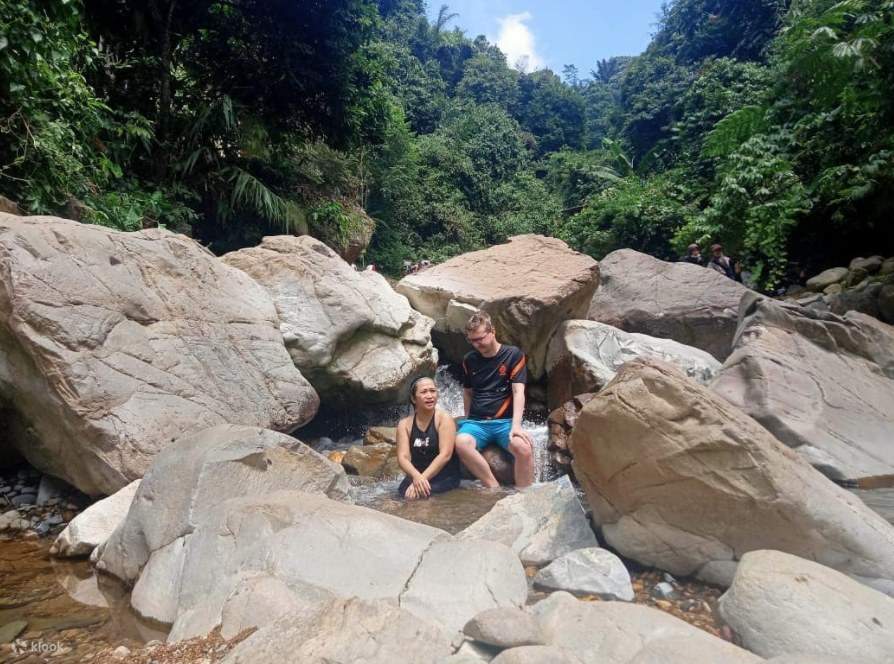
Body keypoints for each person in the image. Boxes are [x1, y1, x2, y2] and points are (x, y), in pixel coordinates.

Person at [453, 311, 535, 488]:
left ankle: (524, 494)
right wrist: (467, 418)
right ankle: (492, 485)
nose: (477, 344)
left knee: (524, 448)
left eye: (480, 338)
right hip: (477, 423)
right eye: (472, 340)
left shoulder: (513, 355)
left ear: (493, 331)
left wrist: (516, 426)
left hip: (504, 422)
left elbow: (518, 392)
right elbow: (467, 391)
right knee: (461, 442)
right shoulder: (469, 360)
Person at [395, 376, 461, 500]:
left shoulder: (444, 419)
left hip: (443, 476)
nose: (430, 396)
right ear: (414, 398)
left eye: (433, 391)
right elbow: (402, 457)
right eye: (424, 392)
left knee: (420, 497)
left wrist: (422, 479)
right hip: (417, 474)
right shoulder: (404, 425)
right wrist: (416, 477)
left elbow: (445, 455)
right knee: (401, 497)